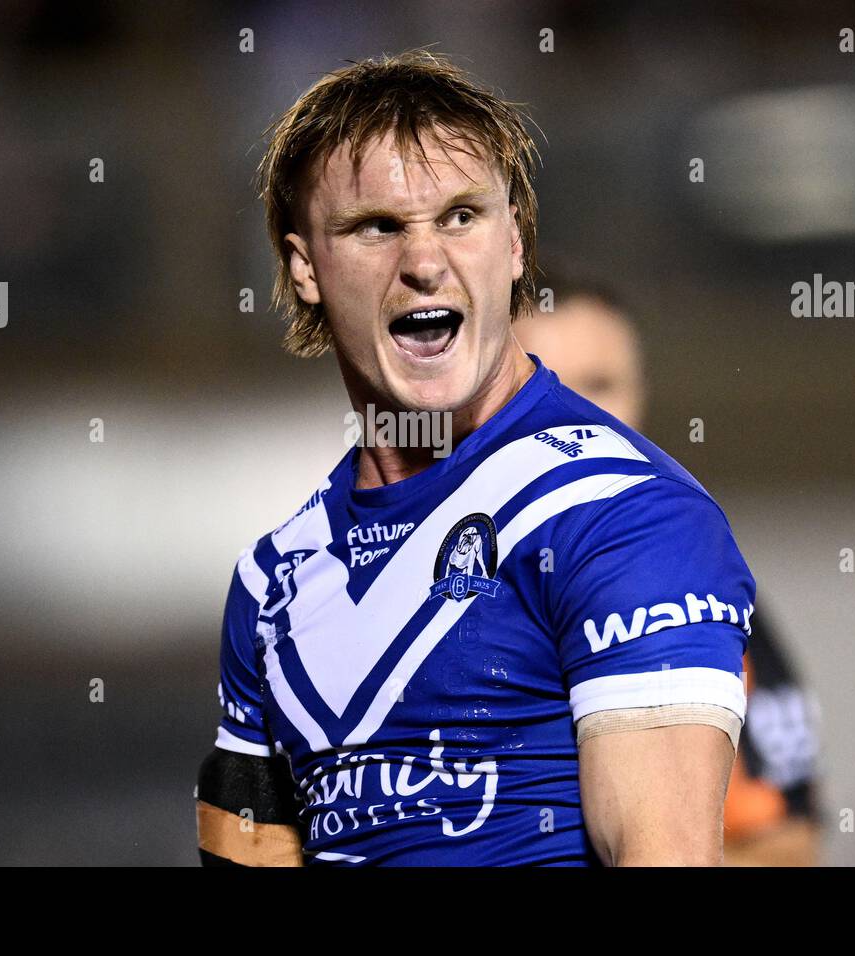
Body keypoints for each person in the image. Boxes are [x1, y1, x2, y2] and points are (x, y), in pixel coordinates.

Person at [196, 50, 756, 866]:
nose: (425, 263)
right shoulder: (271, 581)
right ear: (304, 269)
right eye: (377, 226)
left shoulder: (620, 514)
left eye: (462, 216)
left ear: (518, 244)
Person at [516, 275, 822, 865]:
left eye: (602, 384)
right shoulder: (412, 580)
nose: (579, 413)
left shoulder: (707, 598)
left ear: (643, 393)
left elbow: (786, 847)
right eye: (544, 383)